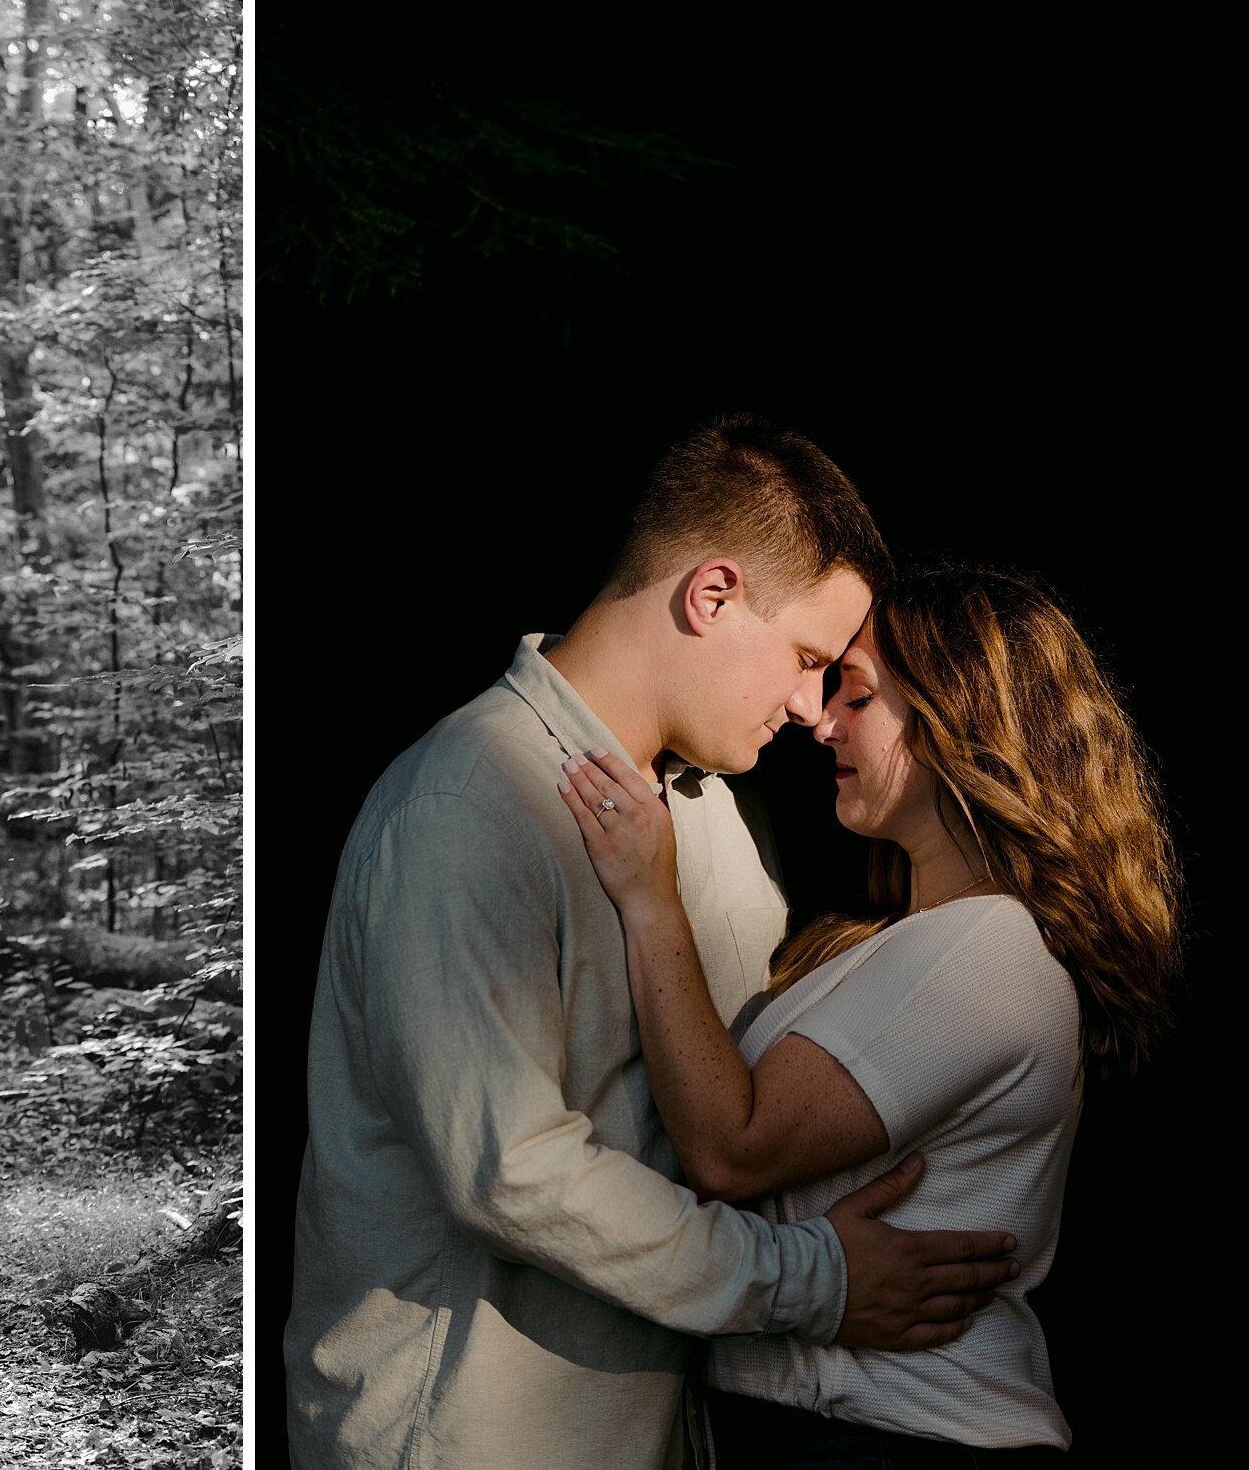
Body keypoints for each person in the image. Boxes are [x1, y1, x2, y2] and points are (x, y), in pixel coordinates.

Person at [286, 415, 1025, 1470]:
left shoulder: (711, 810)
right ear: (710, 594)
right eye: (808, 658)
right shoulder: (463, 804)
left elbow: (726, 1110)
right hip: (469, 1436)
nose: (811, 706)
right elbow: (510, 1170)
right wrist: (811, 1279)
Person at [557, 564, 1183, 1465]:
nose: (822, 719)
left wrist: (651, 900)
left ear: (953, 720)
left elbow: (732, 1146)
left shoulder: (994, 949)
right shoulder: (902, 940)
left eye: (857, 694)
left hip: (892, 1430)